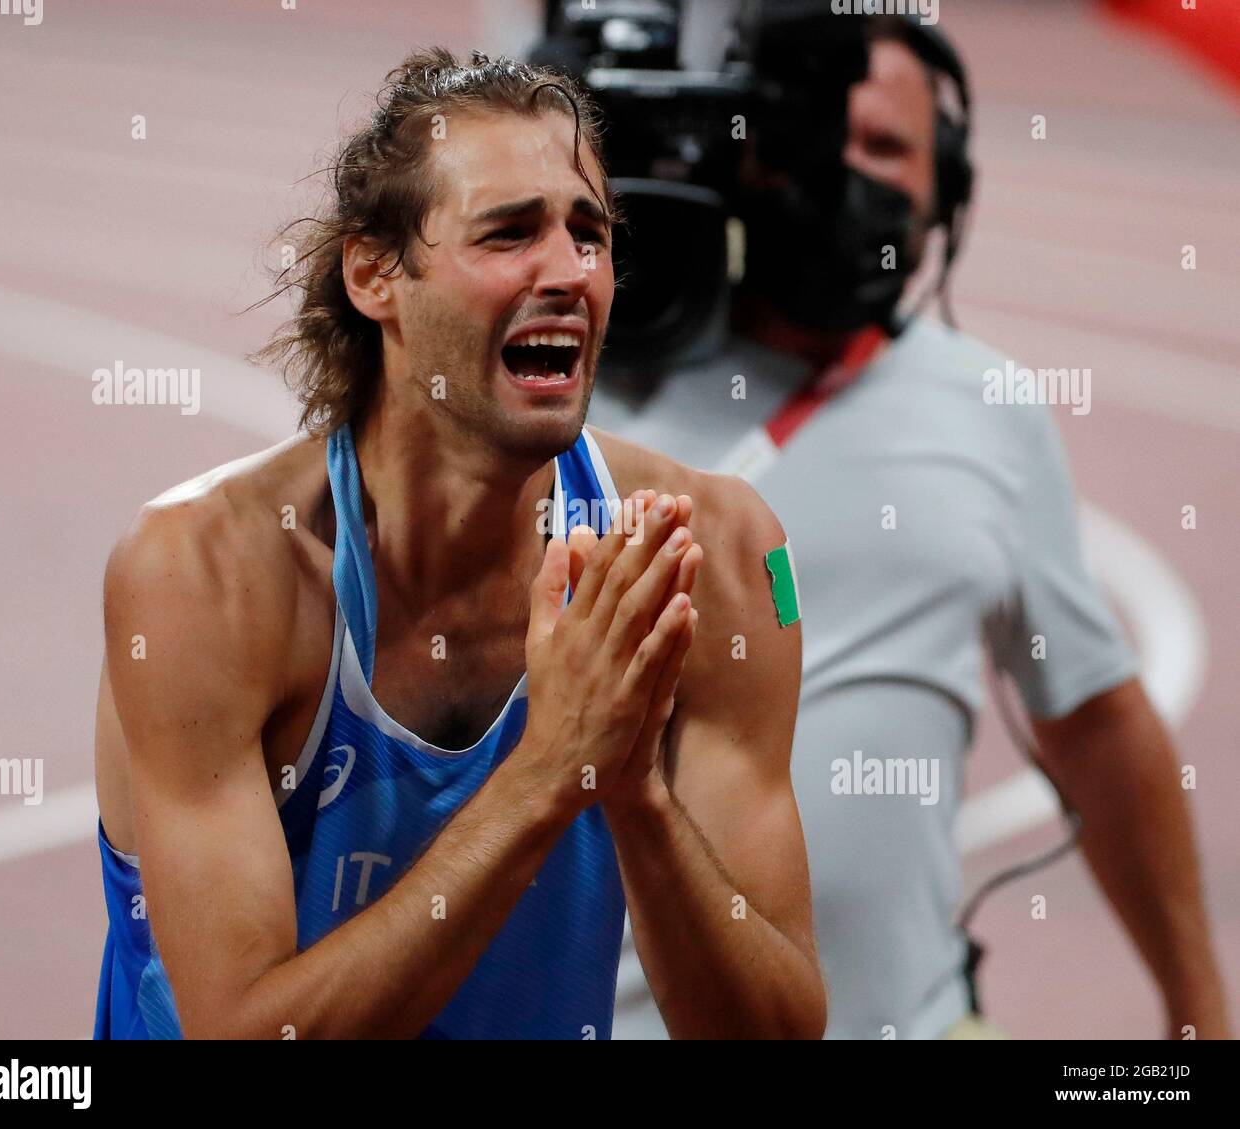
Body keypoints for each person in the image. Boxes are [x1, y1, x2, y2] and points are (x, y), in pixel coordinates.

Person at [91, 47, 826, 1040]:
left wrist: (636, 794)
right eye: (509, 233)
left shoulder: (713, 555)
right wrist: (546, 772)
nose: (568, 272)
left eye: (588, 235)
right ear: (374, 272)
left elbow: (775, 1033)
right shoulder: (209, 575)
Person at [597, 17, 1230, 1039]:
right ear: (741, 148)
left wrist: (1199, 1011)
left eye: (885, 150)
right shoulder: (582, 377)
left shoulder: (989, 408)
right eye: (808, 133)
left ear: (949, 199)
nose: (843, 173)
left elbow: (1097, 722)